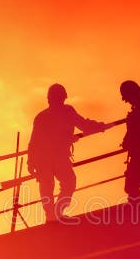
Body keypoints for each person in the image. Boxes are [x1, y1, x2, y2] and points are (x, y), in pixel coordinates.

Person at [27, 83, 106, 222]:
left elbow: (33, 142)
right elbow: (84, 125)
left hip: (50, 158)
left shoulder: (44, 116)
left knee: (56, 185)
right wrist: (98, 126)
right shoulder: (59, 113)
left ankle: (53, 215)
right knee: (61, 184)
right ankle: (54, 215)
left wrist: (31, 161)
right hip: (52, 157)